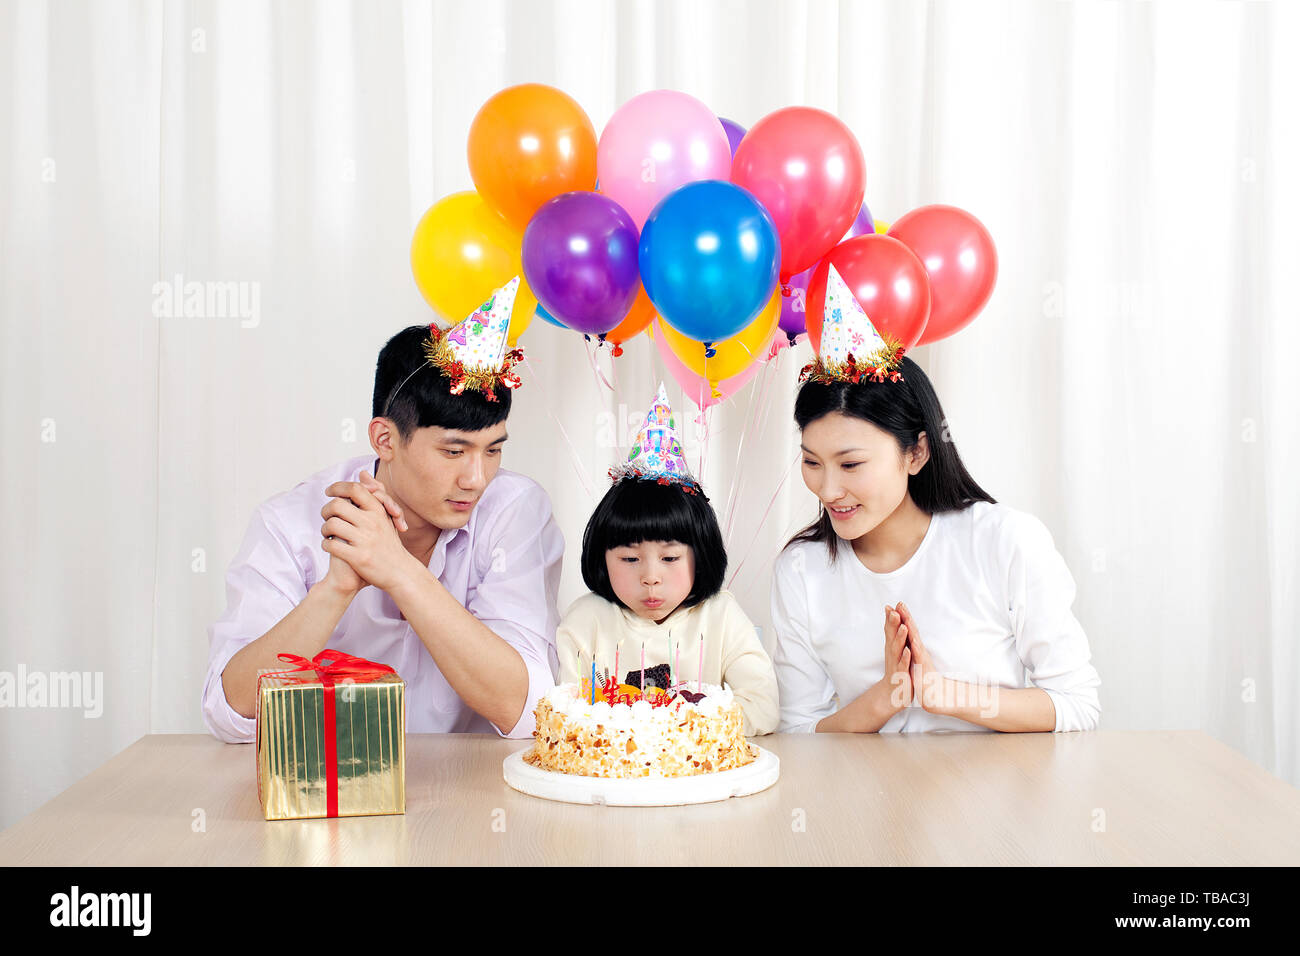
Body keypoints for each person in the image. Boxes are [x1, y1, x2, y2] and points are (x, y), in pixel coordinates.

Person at [201, 276, 563, 742]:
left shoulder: (515, 510)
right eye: (454, 452)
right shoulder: (289, 522)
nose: (477, 479)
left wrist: (399, 572)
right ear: (385, 439)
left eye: (492, 450)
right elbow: (231, 713)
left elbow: (528, 711)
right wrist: (334, 589)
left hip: (471, 792)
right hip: (329, 790)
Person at [771, 265, 1100, 734]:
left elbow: (1077, 705)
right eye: (811, 462)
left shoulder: (1004, 541)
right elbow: (800, 734)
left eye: (850, 465)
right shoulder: (802, 571)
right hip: (863, 800)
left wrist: (944, 695)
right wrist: (887, 698)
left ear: (917, 451)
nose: (827, 490)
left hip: (992, 798)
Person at [556, 385, 779, 736]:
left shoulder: (721, 617)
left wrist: (680, 731)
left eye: (670, 557)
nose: (650, 576)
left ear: (700, 553)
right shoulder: (586, 623)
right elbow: (566, 714)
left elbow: (762, 709)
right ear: (602, 556)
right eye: (630, 558)